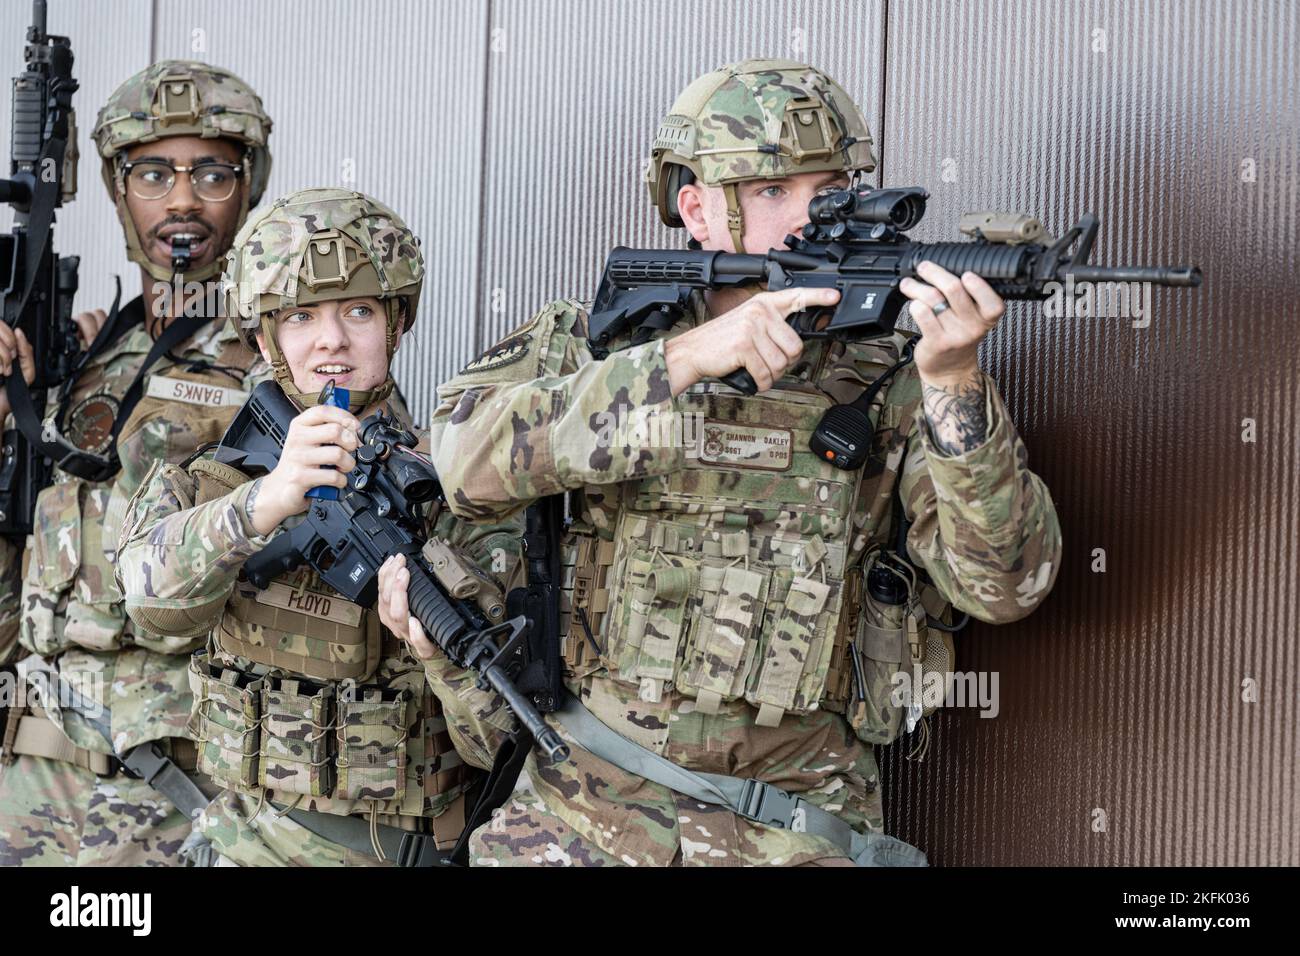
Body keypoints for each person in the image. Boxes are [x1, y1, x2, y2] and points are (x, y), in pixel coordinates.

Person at [386, 58, 1063, 866]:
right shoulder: (597, 342)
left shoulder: (895, 375)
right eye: (774, 192)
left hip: (795, 827)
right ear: (698, 209)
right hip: (579, 816)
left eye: (833, 189)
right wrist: (681, 360)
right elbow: (463, 460)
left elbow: (1006, 585)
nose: (812, 216)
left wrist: (954, 383)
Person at [117, 188, 498, 866]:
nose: (331, 340)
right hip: (244, 845)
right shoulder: (216, 480)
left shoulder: (459, 487)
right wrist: (262, 504)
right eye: (300, 317)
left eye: (358, 311)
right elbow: (149, 607)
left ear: (396, 325)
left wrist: (435, 653)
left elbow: (499, 742)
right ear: (265, 339)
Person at [0, 60, 274, 866]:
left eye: (211, 173)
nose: (182, 201)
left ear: (248, 186)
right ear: (119, 190)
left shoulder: (279, 357)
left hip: (171, 786)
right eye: (154, 173)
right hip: (33, 776)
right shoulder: (82, 353)